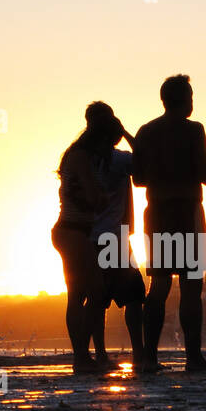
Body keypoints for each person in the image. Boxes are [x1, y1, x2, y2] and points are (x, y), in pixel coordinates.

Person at [131, 75, 206, 372]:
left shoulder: (146, 131)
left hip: (157, 213)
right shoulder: (194, 130)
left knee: (158, 285)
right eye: (191, 96)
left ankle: (149, 357)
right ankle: (193, 357)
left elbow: (139, 179)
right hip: (186, 212)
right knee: (191, 286)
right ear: (184, 99)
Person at [88, 103, 147, 368]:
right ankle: (138, 353)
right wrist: (126, 133)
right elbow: (145, 159)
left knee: (96, 299)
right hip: (115, 237)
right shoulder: (119, 159)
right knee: (134, 296)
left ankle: (99, 354)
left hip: (88, 238)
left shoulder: (81, 159)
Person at [51, 108, 109, 374]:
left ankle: (83, 357)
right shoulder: (82, 158)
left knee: (83, 293)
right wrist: (102, 197)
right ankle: (81, 357)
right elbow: (94, 197)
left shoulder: (76, 155)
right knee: (89, 292)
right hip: (72, 231)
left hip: (74, 232)